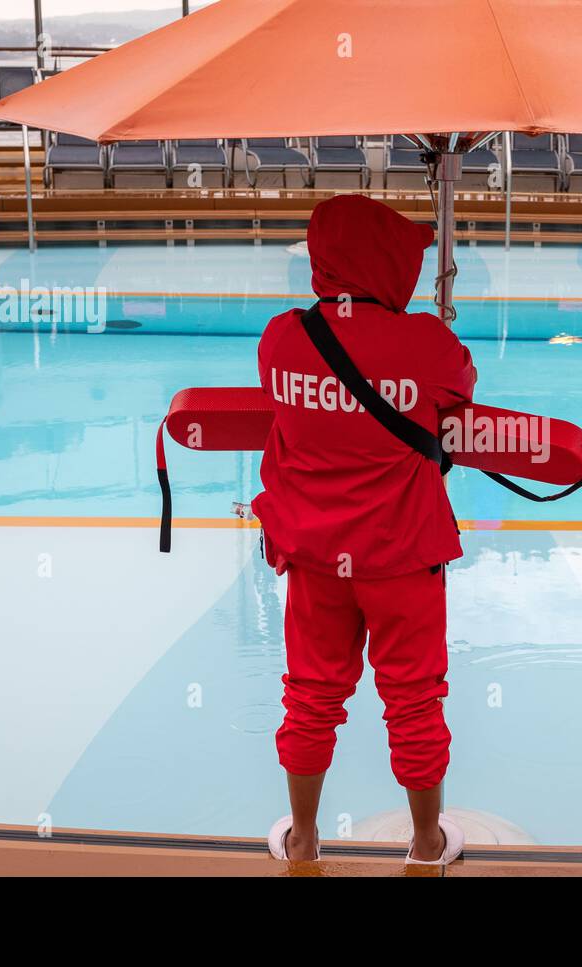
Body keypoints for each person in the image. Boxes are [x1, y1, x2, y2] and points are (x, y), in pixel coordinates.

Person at [252, 194, 477, 865]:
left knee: (311, 695)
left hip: (317, 558)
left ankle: (304, 840)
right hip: (403, 558)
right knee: (413, 698)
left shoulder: (282, 337)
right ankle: (428, 843)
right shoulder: (428, 344)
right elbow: (459, 387)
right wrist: (427, 332)